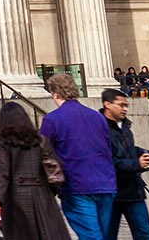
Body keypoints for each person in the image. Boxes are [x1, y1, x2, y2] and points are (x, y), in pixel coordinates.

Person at [40, 73, 116, 240]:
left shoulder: (52, 119)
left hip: (77, 185)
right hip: (106, 183)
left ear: (55, 94)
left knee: (92, 236)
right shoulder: (98, 117)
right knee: (102, 235)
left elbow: (43, 152)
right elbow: (108, 147)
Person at [0, 102, 70, 240]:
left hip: (17, 197)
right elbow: (56, 164)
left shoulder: (3, 141)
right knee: (47, 233)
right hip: (42, 193)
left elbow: (3, 170)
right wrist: (54, 190)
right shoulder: (40, 139)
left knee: (23, 235)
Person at [102, 89, 149, 240]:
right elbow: (108, 162)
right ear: (107, 104)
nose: (125, 109)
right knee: (108, 235)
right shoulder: (100, 128)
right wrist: (137, 164)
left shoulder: (124, 126)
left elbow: (130, 150)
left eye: (126, 105)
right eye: (121, 105)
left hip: (133, 192)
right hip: (112, 193)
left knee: (145, 234)